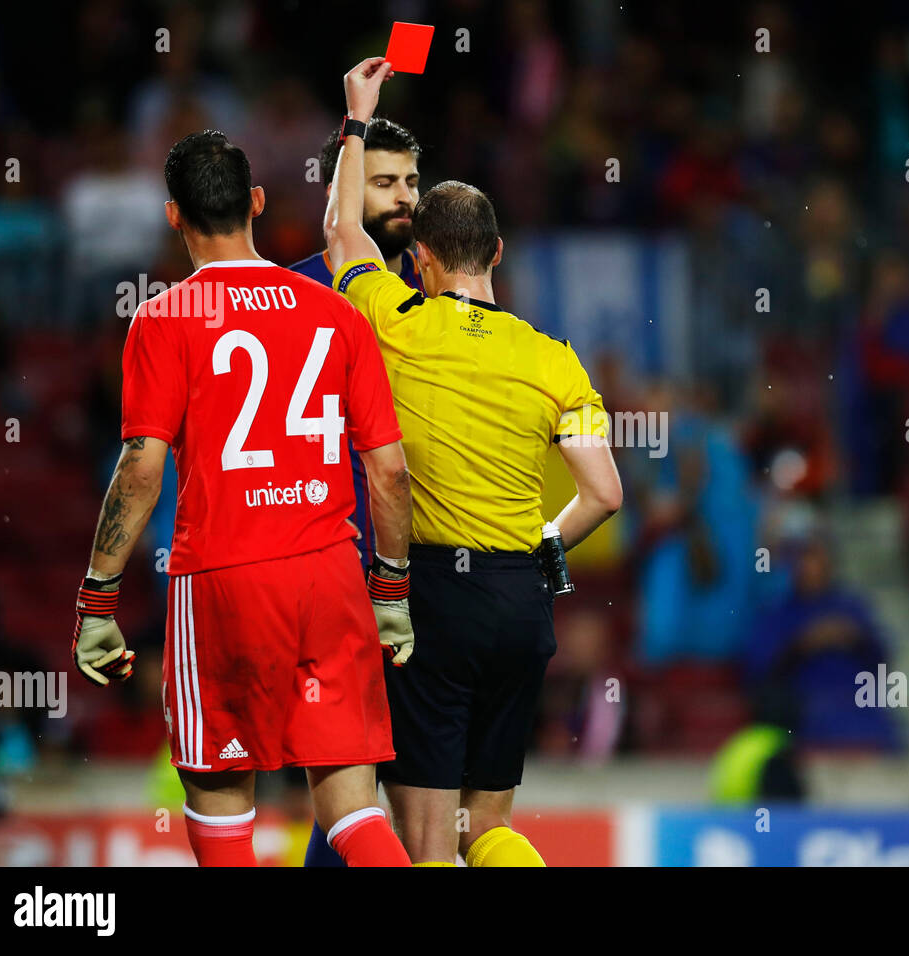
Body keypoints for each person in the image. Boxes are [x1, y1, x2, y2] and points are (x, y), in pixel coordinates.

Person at [69, 129, 414, 867]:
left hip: (224, 581)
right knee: (353, 811)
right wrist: (390, 591)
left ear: (174, 218)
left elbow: (140, 471)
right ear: (256, 203)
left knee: (222, 800)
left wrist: (97, 602)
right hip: (330, 577)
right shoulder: (336, 312)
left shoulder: (162, 320)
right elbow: (389, 471)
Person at [324, 58, 623, 866]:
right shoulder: (555, 357)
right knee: (488, 831)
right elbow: (605, 492)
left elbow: (341, 234)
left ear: (419, 255)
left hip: (437, 603)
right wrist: (544, 545)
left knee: (426, 847)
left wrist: (358, 117)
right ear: (498, 252)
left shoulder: (397, 320)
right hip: (521, 606)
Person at [290, 115, 424, 869]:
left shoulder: (443, 297)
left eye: (411, 180)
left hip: (426, 570)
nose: (405, 196)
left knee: (373, 798)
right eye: (383, 182)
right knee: (357, 789)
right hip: (341, 571)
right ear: (341, 188)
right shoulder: (297, 295)